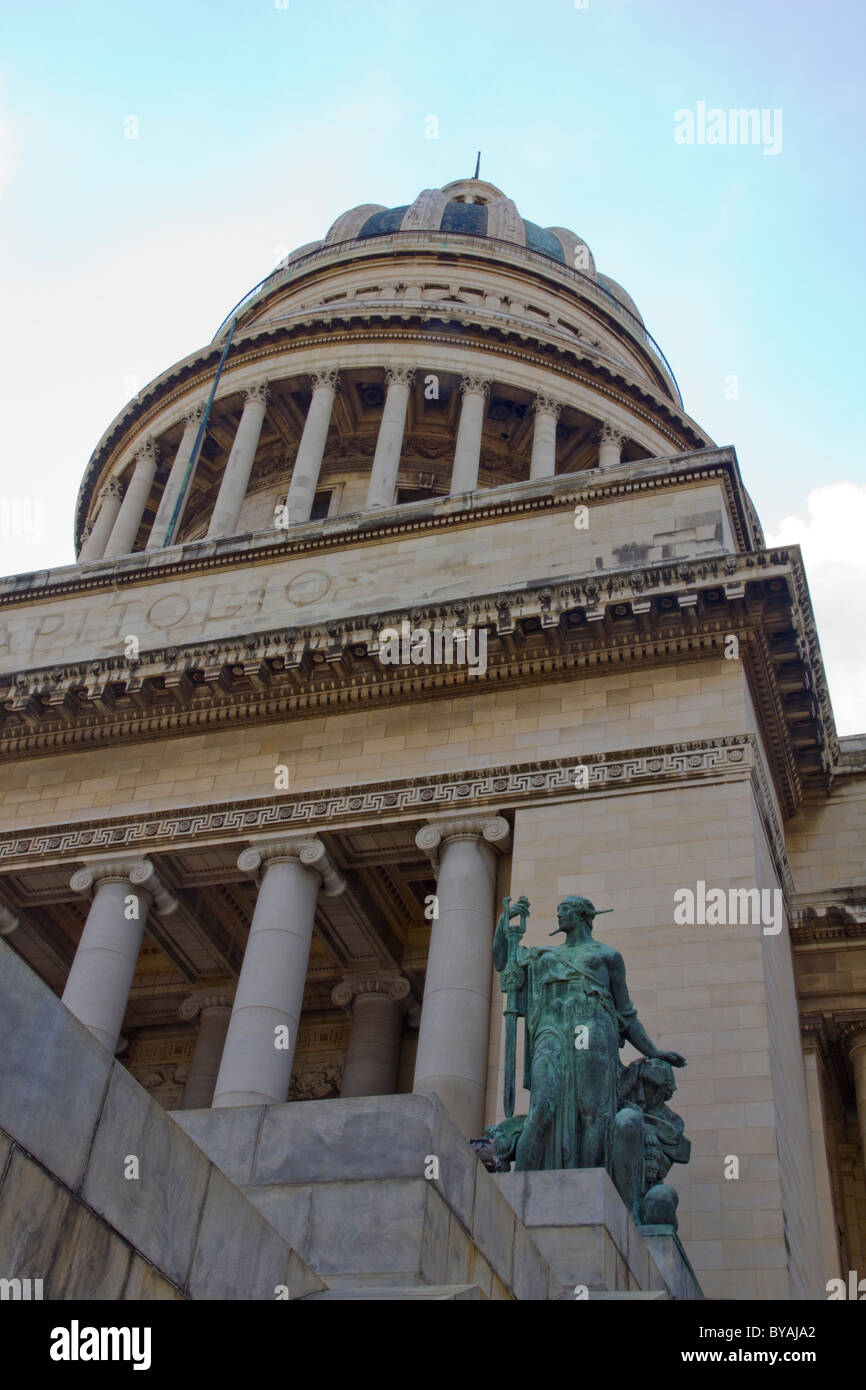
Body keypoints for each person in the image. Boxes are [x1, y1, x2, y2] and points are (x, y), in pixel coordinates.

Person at [492, 894, 685, 1172]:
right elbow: (503, 961)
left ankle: (591, 1187)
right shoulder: (543, 955)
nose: (559, 914)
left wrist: (653, 1051)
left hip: (592, 1032)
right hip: (551, 1031)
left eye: (566, 909)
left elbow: (627, 1016)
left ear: (583, 915)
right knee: (541, 1107)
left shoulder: (606, 956)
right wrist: (503, 925)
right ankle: (519, 1196)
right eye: (558, 909)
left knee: (593, 1111)